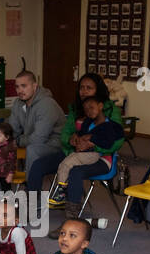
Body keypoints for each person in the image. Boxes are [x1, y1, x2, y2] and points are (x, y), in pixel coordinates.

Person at [26, 73, 122, 195]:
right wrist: (71, 139)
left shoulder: (110, 109)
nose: (84, 91)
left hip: (99, 156)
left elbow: (117, 140)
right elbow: (65, 133)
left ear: (98, 90)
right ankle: (31, 203)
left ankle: (69, 203)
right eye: (82, 87)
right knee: (38, 165)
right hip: (72, 152)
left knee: (74, 170)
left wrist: (92, 144)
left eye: (89, 88)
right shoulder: (75, 108)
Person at [46, 88, 125, 219]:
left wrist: (91, 139)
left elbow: (108, 143)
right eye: (86, 109)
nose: (89, 111)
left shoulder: (108, 125)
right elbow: (80, 134)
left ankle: (62, 193)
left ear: (100, 106)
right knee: (66, 163)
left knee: (70, 164)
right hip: (85, 154)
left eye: (91, 107)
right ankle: (62, 189)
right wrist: (77, 138)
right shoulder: (88, 122)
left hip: (96, 156)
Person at [7, 70, 63, 185]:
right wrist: (6, 139)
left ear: (34, 86)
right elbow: (12, 129)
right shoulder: (18, 103)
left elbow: (38, 139)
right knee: (1, 143)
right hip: (33, 142)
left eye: (24, 86)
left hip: (56, 146)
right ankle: (2, 186)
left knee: (32, 150)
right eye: (17, 87)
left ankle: (31, 189)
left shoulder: (47, 104)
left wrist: (17, 141)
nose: (20, 90)